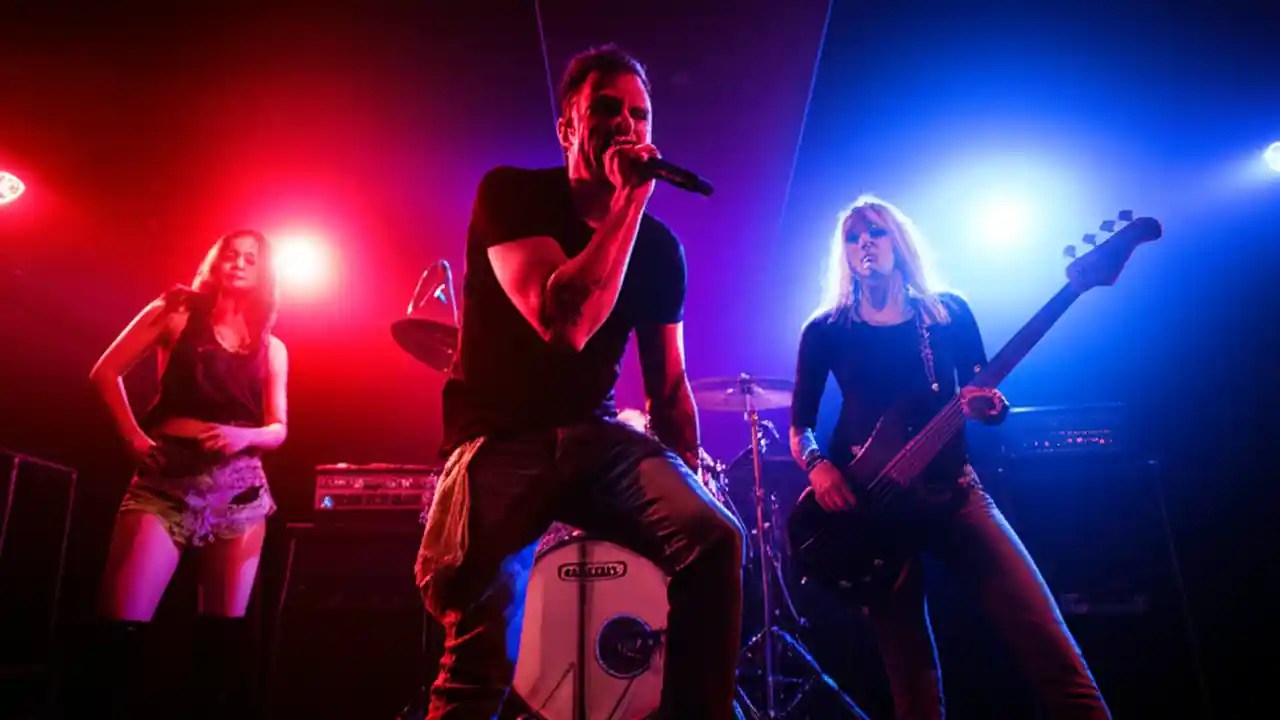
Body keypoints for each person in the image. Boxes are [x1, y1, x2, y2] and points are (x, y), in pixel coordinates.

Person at [414, 44, 744, 719]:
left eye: (641, 114)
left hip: (596, 442)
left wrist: (688, 481)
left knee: (715, 539)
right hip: (500, 439)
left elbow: (669, 387)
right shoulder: (512, 194)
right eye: (606, 110)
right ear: (566, 127)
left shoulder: (657, 248)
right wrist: (630, 200)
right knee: (479, 653)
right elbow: (565, 319)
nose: (627, 125)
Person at [788, 196, 1110, 719]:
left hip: (954, 494)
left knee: (1049, 645)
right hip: (874, 510)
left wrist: (991, 410)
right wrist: (818, 466)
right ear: (844, 255)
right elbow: (799, 426)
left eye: (875, 231)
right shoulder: (825, 330)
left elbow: (985, 392)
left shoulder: (947, 313)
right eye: (853, 237)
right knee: (912, 685)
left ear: (899, 241)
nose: (864, 242)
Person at [87, 229, 288, 718]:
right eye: (231, 256)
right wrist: (133, 438)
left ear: (263, 273)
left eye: (250, 259)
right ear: (216, 263)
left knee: (221, 637)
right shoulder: (176, 311)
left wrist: (246, 436)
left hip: (240, 492)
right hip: (168, 482)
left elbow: (278, 427)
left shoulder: (272, 346)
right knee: (119, 630)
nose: (239, 264)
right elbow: (104, 371)